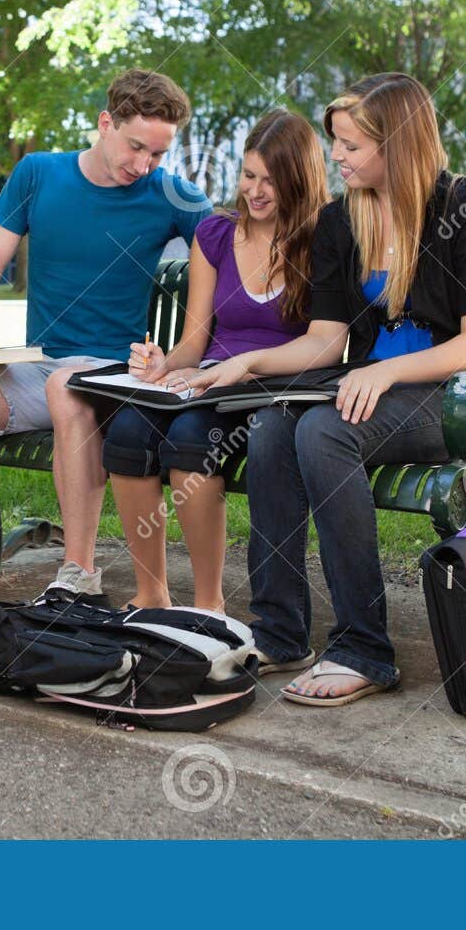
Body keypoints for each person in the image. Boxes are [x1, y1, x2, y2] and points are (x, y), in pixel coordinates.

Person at [184, 73, 466, 703]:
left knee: (325, 433)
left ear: (400, 145)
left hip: (451, 396)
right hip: (365, 385)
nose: (337, 156)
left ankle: (364, 646)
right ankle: (280, 630)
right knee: (276, 425)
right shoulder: (342, 220)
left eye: (352, 146)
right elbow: (326, 341)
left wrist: (386, 369)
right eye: (336, 142)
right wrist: (249, 362)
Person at [0, 69, 210, 628]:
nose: (144, 165)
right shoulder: (38, 173)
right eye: (136, 147)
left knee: (68, 388)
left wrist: (193, 357)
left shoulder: (171, 195)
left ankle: (78, 573)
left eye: (158, 154)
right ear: (105, 123)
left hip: (112, 377)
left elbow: (232, 252)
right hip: (40, 364)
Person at [101, 109, 326, 616]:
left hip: (272, 385)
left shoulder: (322, 240)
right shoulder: (217, 235)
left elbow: (325, 342)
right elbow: (195, 339)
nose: (257, 191)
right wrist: (164, 366)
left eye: (273, 180)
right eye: (249, 176)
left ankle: (209, 605)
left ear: (301, 181)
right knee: (128, 433)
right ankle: (152, 594)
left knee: (188, 442)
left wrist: (242, 366)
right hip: (207, 379)